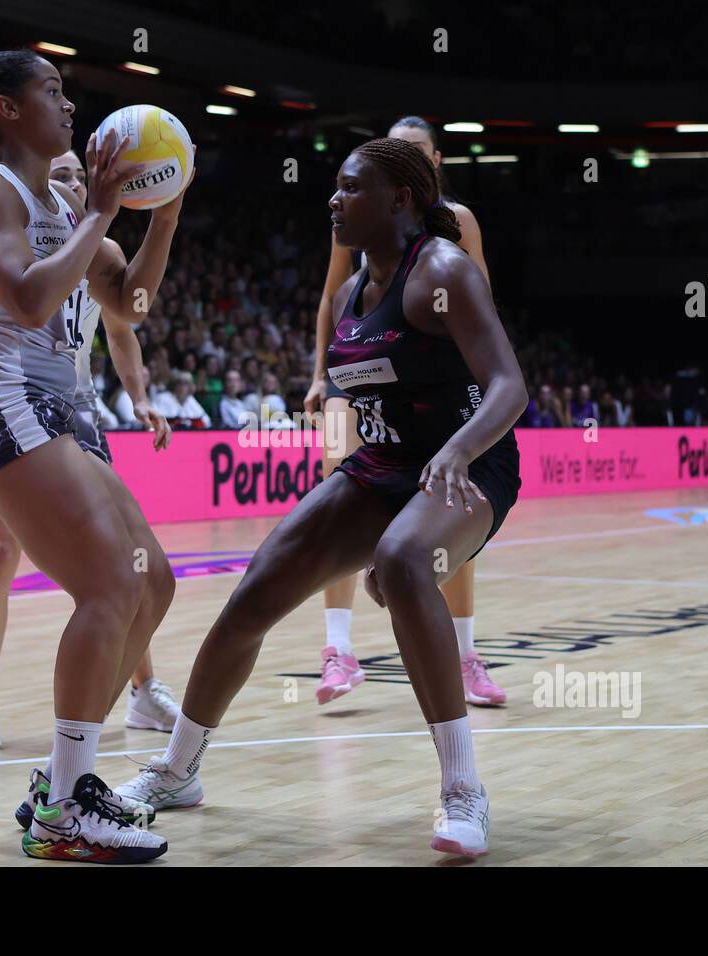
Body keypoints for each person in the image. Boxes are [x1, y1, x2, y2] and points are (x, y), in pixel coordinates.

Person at [117, 137, 528, 858]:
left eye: (349, 188)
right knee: (255, 593)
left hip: (470, 464)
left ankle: (464, 789)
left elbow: (509, 386)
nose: (333, 200)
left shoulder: (443, 270)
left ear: (400, 199)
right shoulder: (346, 294)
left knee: (402, 561)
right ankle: (176, 770)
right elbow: (369, 392)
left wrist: (459, 450)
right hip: (384, 466)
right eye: (334, 188)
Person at [0, 38, 190, 863]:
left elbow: (132, 303)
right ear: (8, 110)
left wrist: (165, 208)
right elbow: (33, 300)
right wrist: (106, 210)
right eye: (53, 90)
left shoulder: (69, 209)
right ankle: (69, 806)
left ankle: (63, 787)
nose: (71, 106)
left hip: (58, 405)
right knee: (109, 582)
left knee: (154, 582)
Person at [303, 116, 504, 708]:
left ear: (431, 165)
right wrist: (320, 373)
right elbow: (330, 296)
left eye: (411, 152)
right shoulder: (358, 221)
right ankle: (337, 650)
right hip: (357, 365)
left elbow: (479, 301)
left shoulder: (458, 224)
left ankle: (466, 654)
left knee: (451, 497)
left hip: (428, 373)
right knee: (335, 481)